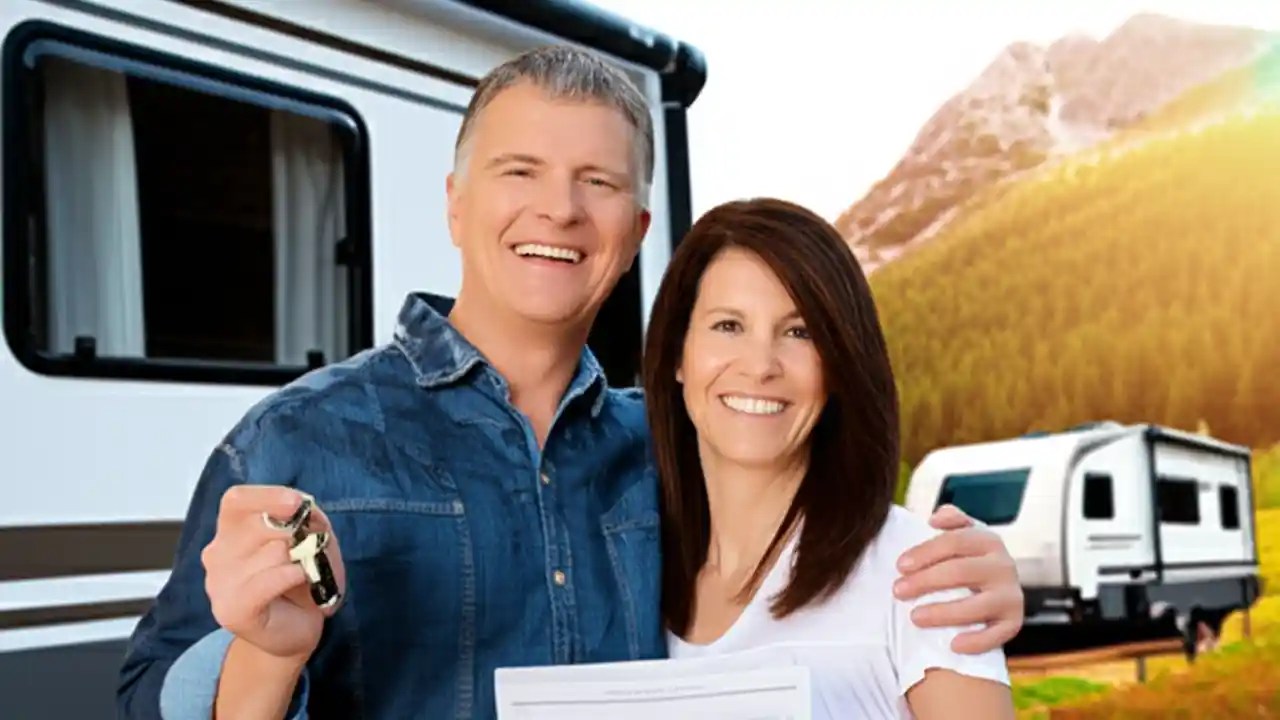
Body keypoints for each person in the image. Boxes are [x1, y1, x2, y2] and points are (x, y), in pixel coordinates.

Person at [115, 45, 1023, 720]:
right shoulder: (291, 443)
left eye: (596, 181)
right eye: (522, 172)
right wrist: (266, 662)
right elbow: (150, 700)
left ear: (632, 233)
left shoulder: (670, 457)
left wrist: (976, 576)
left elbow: (807, 540)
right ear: (456, 203)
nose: (559, 208)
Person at [640, 197, 1014, 718]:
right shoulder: (634, 576)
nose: (760, 365)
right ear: (678, 354)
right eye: (729, 325)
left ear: (837, 363)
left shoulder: (917, 570)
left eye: (799, 332)